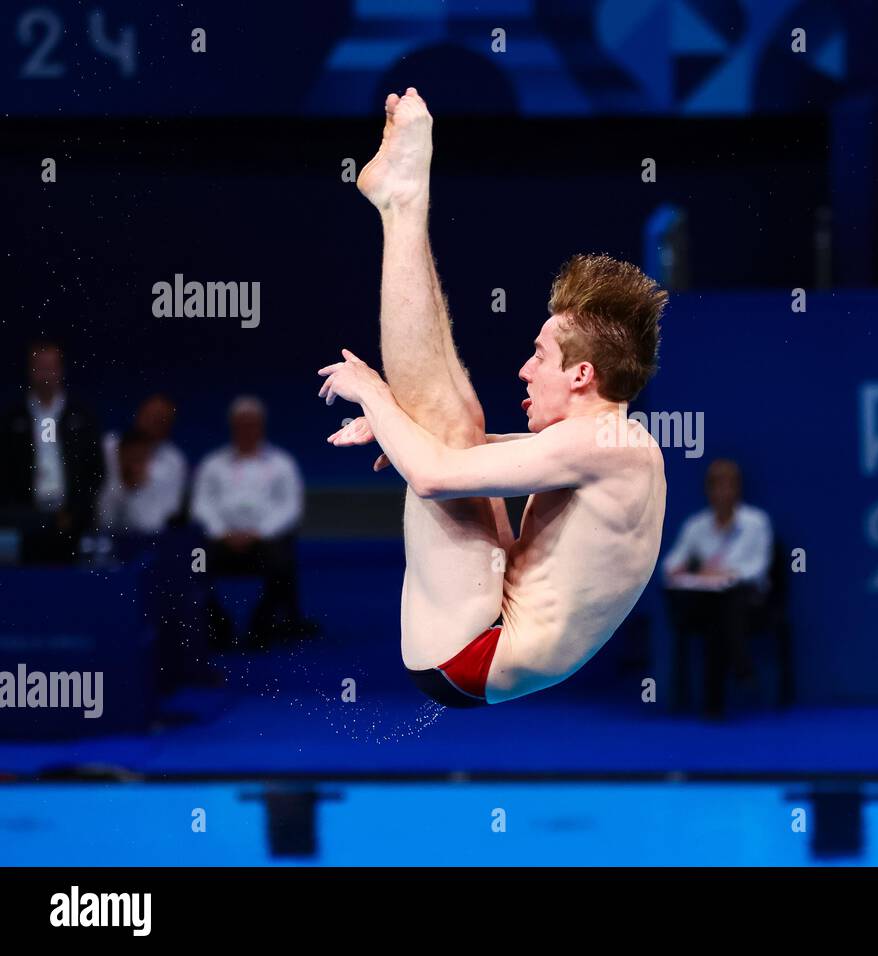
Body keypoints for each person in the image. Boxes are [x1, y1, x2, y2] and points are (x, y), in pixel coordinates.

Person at [317, 88, 667, 708]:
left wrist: (373, 392)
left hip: (474, 649)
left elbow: (431, 476)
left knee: (451, 432)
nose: (524, 369)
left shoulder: (606, 444)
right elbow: (461, 456)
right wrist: (393, 422)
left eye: (540, 355)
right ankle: (399, 197)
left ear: (582, 375)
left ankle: (402, 201)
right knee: (462, 427)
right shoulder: (615, 444)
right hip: (486, 634)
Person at [191, 396, 314, 647]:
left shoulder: (282, 464)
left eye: (252, 424)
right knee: (195, 563)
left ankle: (262, 626)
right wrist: (222, 532)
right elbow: (200, 504)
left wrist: (259, 533)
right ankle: (216, 624)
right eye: (241, 424)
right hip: (219, 541)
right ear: (232, 426)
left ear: (261, 426)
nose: (246, 429)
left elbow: (291, 506)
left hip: (264, 541)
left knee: (282, 560)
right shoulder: (212, 464)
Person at [662, 459, 773, 718]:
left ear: (739, 489)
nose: (723, 492)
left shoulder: (757, 522)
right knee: (718, 614)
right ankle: (742, 666)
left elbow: (758, 568)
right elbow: (670, 566)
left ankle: (714, 704)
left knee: (726, 607)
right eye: (716, 486)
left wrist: (727, 574)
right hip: (707, 605)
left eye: (729, 485)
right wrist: (688, 570)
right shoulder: (695, 526)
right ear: (708, 490)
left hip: (751, 603)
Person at [0, 340, 102, 563]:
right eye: (39, 367)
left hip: (74, 520)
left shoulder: (82, 417)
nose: (45, 374)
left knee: (75, 584)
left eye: (51, 367)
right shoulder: (11, 419)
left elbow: (96, 470)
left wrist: (75, 510)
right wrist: (22, 513)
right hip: (26, 521)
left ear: (61, 371)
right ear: (29, 371)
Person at [99, 395, 188, 535]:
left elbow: (165, 516)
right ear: (138, 414)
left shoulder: (174, 461)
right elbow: (102, 517)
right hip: (103, 532)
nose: (152, 422)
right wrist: (123, 487)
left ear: (169, 425)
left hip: (149, 538)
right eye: (150, 415)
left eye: (161, 419)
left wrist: (136, 490)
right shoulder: (107, 446)